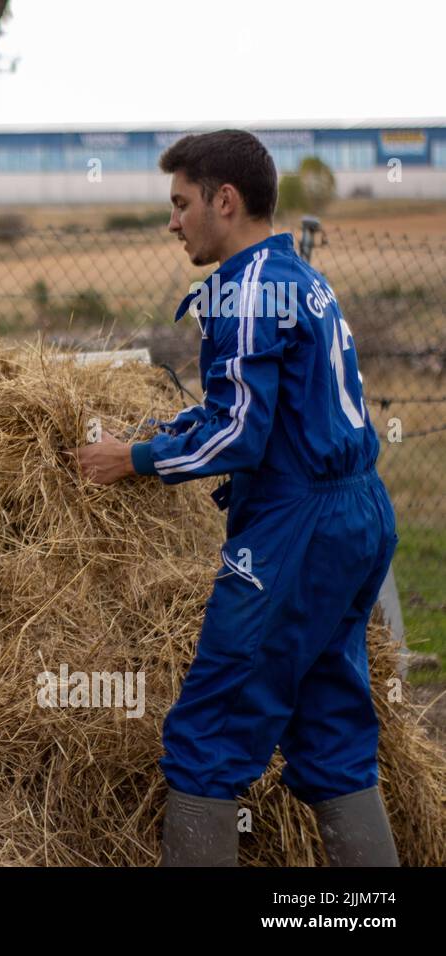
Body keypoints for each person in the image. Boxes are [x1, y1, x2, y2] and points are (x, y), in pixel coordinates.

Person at [73, 130, 399, 867]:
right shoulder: (298, 276)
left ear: (225, 200)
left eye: (182, 204)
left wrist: (137, 458)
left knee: (210, 733)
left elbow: (241, 438)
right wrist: (169, 428)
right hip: (357, 512)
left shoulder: (248, 289)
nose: (173, 222)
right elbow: (254, 410)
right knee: (329, 724)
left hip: (296, 528)